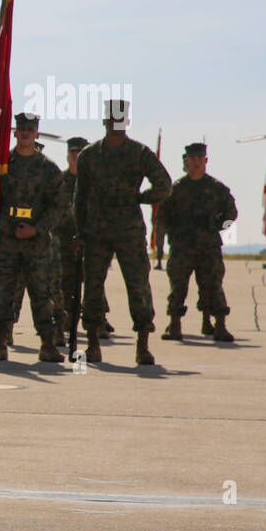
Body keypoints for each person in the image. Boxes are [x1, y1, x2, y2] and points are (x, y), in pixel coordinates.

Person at [74, 100, 171, 364]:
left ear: (126, 122)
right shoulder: (89, 155)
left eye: (119, 121)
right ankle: (93, 343)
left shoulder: (139, 153)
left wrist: (140, 198)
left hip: (128, 230)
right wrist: (79, 232)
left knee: (138, 285)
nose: (115, 125)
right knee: (92, 288)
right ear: (105, 122)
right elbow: (79, 198)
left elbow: (164, 185)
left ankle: (142, 345)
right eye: (111, 121)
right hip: (96, 232)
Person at [0, 114, 65, 362]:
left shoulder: (49, 168)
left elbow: (58, 206)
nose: (26, 133)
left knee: (41, 293)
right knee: (5, 294)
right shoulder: (2, 166)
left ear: (37, 134)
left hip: (36, 243)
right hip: (6, 241)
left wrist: (38, 229)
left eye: (31, 129)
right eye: (22, 129)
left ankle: (47, 345)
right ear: (15, 133)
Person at [157, 143, 237, 342]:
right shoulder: (176, 189)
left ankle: (219, 325)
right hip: (182, 247)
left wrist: (217, 227)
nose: (196, 163)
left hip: (208, 247)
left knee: (213, 286)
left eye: (200, 159)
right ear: (186, 161)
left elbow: (231, 214)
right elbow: (162, 215)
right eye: (192, 159)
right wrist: (173, 233)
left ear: (206, 161)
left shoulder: (216, 188)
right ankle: (174, 325)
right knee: (178, 287)